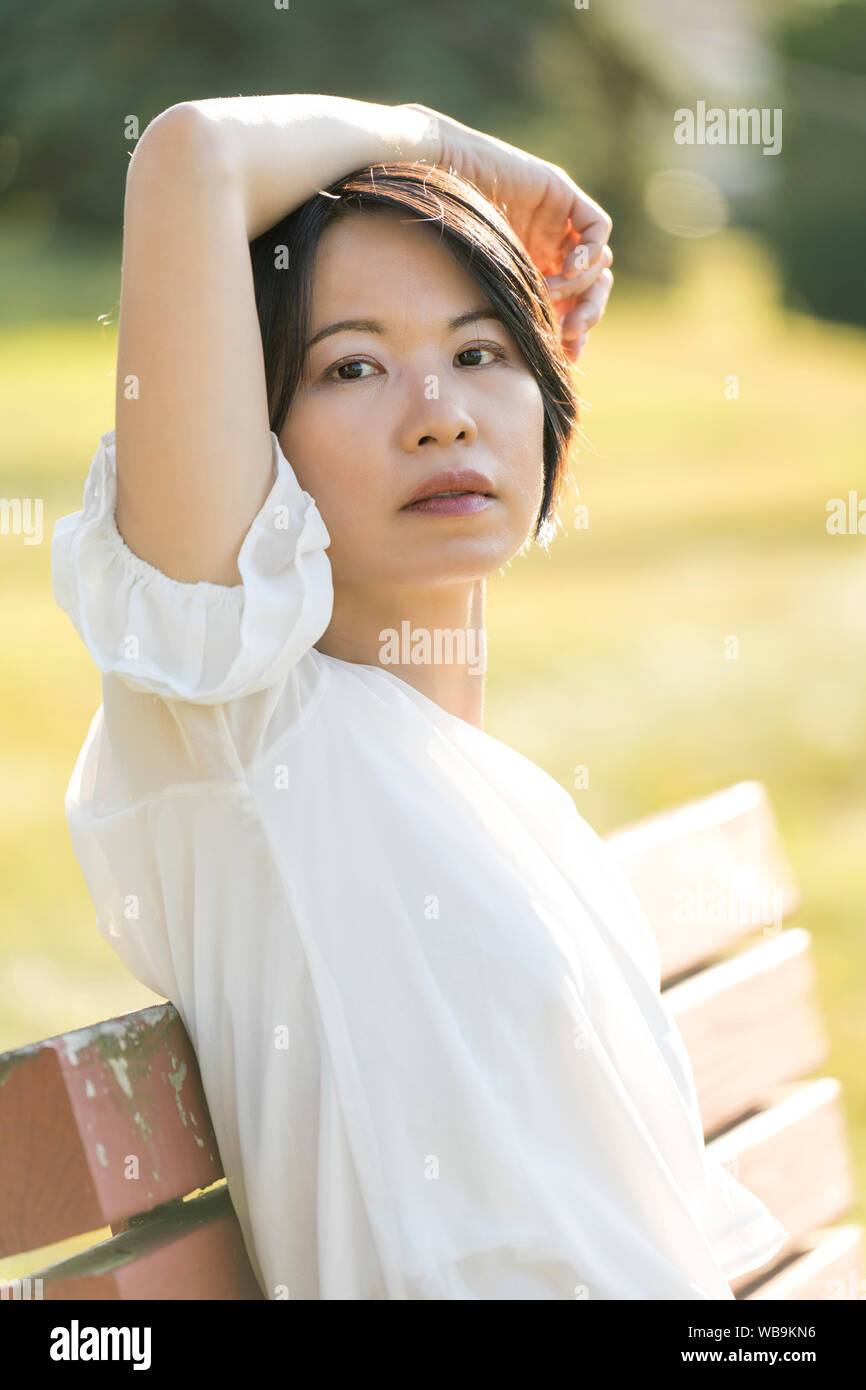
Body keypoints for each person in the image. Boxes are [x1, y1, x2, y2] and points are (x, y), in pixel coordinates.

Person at [51, 94, 788, 1299]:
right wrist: (449, 146)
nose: (439, 411)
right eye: (352, 365)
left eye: (479, 352)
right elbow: (192, 154)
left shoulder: (507, 801)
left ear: (547, 399)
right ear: (252, 441)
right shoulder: (239, 725)